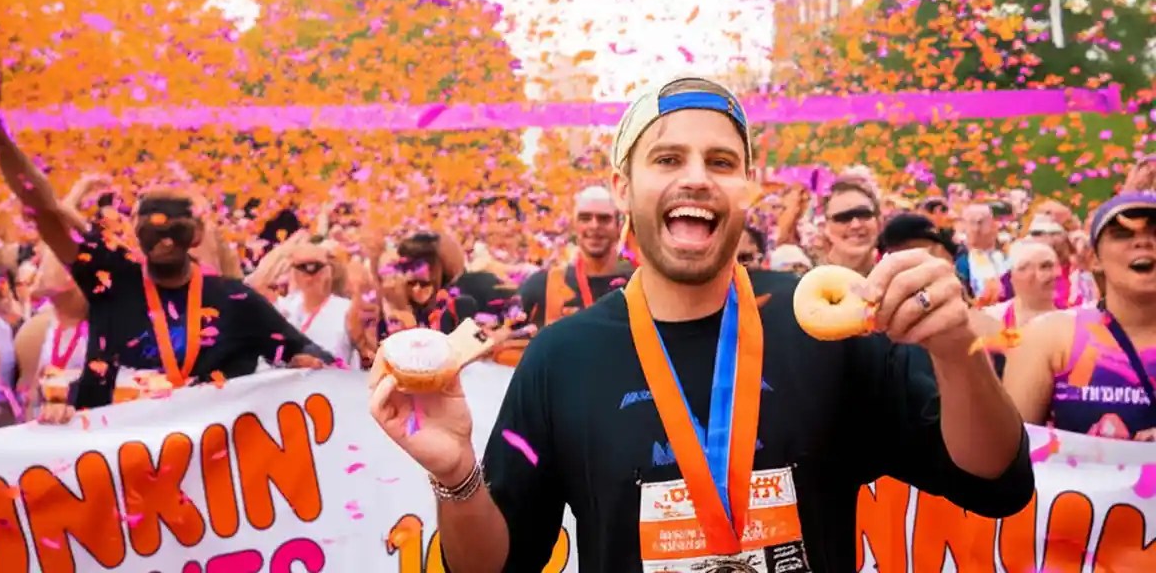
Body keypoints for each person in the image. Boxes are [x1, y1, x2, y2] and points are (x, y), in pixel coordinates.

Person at [369, 77, 1033, 573]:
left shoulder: (835, 328)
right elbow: (495, 567)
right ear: (624, 187)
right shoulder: (562, 357)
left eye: (721, 163)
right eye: (666, 160)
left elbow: (994, 481)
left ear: (747, 188)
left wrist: (957, 352)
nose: (696, 179)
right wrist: (457, 476)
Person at [0, 53, 333, 421]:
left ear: (195, 236)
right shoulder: (110, 281)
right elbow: (43, 208)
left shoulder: (235, 300)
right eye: (152, 224)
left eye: (175, 225)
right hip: (111, 461)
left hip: (200, 469)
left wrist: (308, 362)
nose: (164, 236)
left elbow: (313, 359)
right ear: (134, 232)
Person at [1002, 191, 1156, 440]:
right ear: (1095, 259)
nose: (1144, 242)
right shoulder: (1048, 337)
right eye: (1123, 234)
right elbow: (1007, 453)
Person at [518, 186, 633, 329]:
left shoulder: (641, 284)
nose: (594, 225)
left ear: (619, 227)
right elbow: (504, 337)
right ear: (574, 226)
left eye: (604, 219)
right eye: (585, 218)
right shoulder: (543, 285)